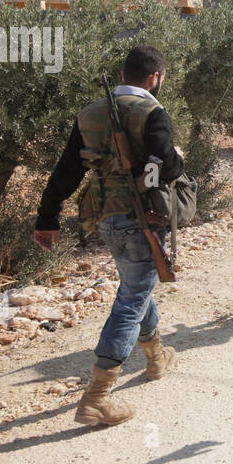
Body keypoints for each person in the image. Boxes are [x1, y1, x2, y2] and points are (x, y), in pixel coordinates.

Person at [34, 45, 184, 427]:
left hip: (104, 218)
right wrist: (177, 158)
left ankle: (155, 357)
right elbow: (164, 167)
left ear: (123, 74)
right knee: (133, 296)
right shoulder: (152, 111)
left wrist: (47, 216)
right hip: (142, 217)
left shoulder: (89, 114)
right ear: (155, 77)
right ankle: (97, 396)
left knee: (136, 285)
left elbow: (67, 170)